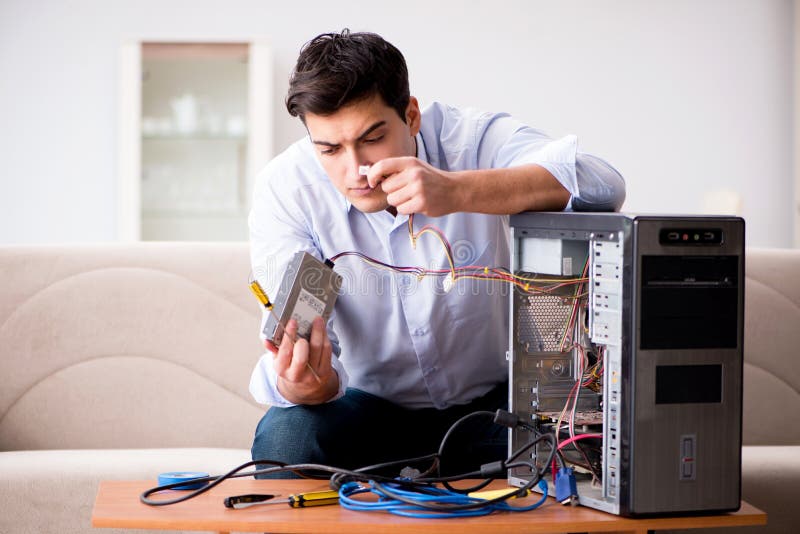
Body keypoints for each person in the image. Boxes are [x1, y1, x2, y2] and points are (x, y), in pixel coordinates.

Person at [248, 29, 625, 478]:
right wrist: (314, 384)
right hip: (365, 411)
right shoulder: (288, 189)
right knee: (285, 436)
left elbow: (604, 185)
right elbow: (300, 344)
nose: (356, 171)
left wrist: (459, 190)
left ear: (411, 116)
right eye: (329, 148)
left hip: (493, 412)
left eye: (372, 138)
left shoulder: (476, 141)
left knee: (588, 441)